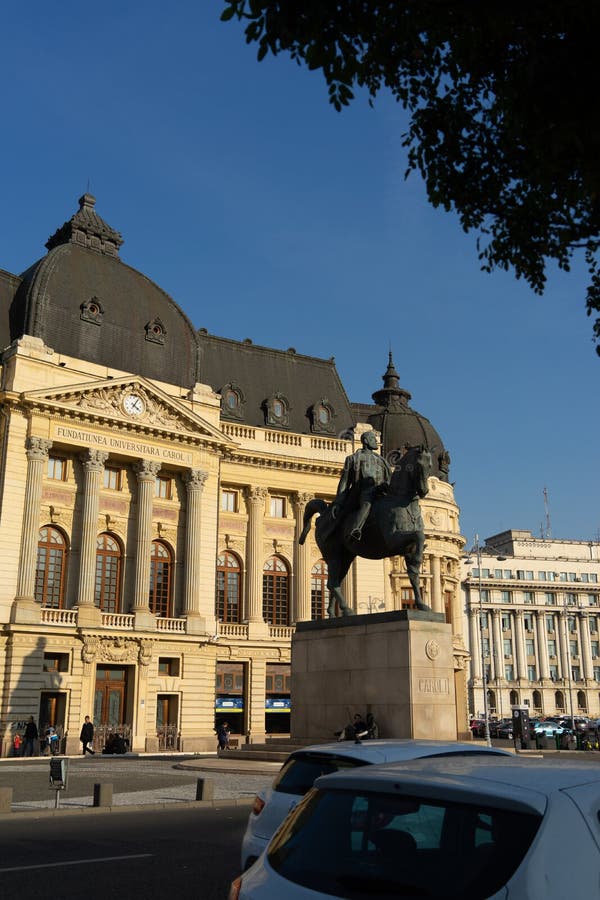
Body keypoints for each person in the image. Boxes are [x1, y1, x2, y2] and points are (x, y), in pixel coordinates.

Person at [332, 431, 392, 542]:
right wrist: (338, 502)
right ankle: (356, 529)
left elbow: (389, 480)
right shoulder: (353, 459)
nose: (376, 441)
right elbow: (344, 482)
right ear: (365, 441)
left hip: (380, 492)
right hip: (362, 492)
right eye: (373, 439)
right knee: (367, 504)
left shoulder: (382, 461)